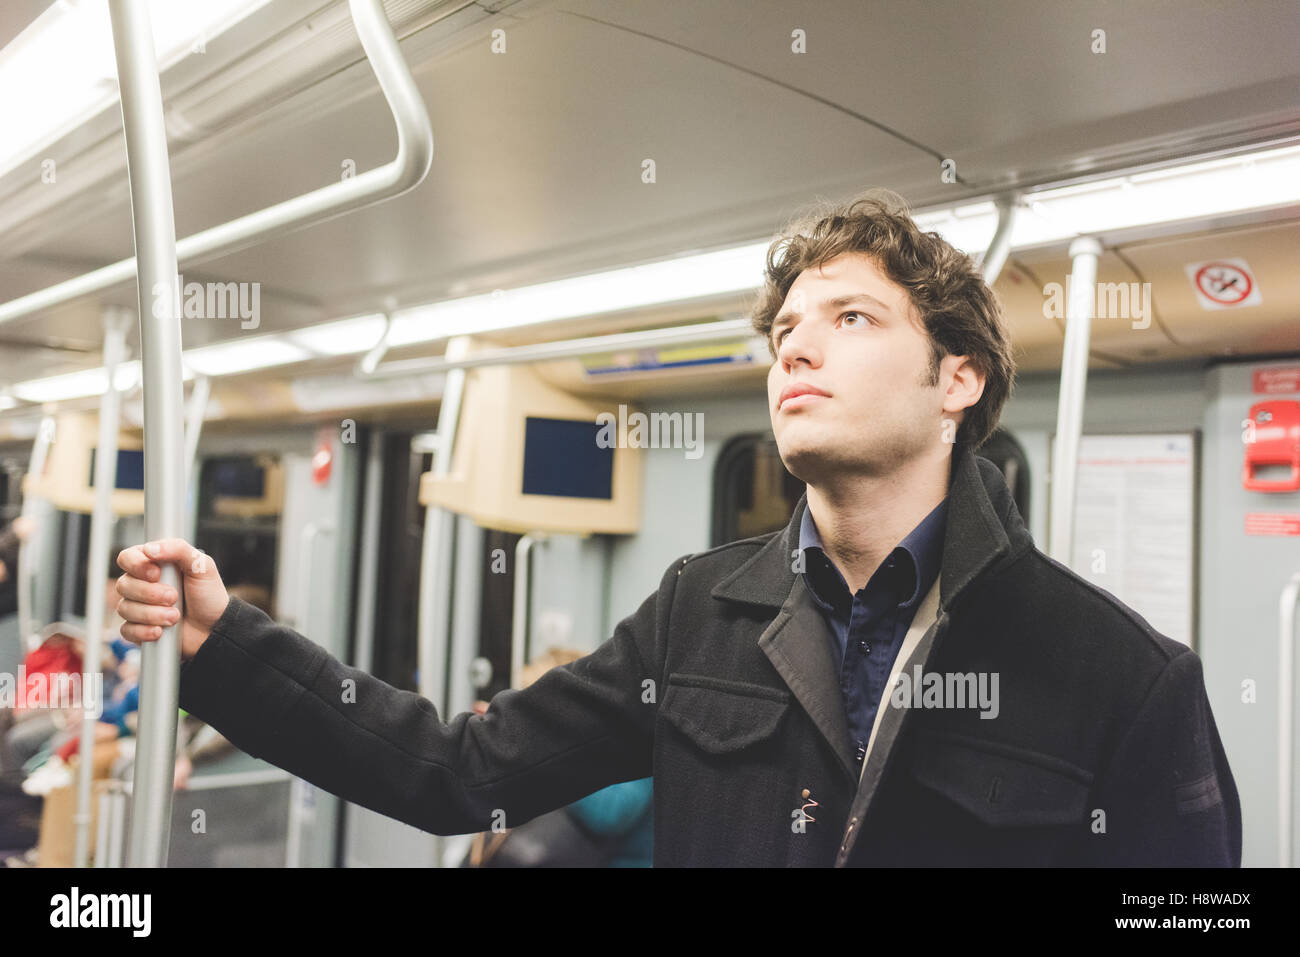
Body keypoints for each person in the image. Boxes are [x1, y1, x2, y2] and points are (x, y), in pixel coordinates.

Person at [114, 189, 1240, 867]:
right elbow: (456, 770)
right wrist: (227, 642)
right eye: (785, 331)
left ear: (958, 379)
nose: (796, 350)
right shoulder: (701, 613)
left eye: (850, 318)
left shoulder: (1116, 675)